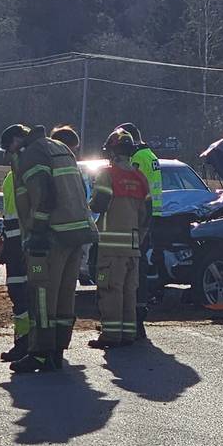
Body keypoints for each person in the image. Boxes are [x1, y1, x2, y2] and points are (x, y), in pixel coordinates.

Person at [8, 124, 98, 373]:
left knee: (42, 296)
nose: (8, 155)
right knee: (65, 296)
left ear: (17, 141)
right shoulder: (59, 147)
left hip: (52, 236)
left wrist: (37, 231)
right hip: (77, 233)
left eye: (8, 149)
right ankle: (57, 350)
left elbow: (44, 195)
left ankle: (39, 353)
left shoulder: (32, 155)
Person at [88, 129, 150, 348]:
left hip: (110, 247)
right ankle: (128, 333)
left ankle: (111, 335)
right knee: (128, 291)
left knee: (110, 291)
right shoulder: (140, 177)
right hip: (133, 246)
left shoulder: (108, 174)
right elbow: (147, 215)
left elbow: (98, 204)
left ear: (112, 152)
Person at [116, 122, 161, 339]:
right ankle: (138, 315)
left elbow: (132, 187)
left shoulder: (137, 160)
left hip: (138, 219)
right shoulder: (151, 155)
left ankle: (133, 319)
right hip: (154, 215)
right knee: (140, 268)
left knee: (134, 270)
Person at [0, 124, 30, 363]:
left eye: (8, 149)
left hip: (21, 247)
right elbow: (9, 217)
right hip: (17, 245)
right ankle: (28, 342)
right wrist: (3, 243)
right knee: (23, 295)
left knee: (21, 295)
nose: (7, 155)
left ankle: (25, 343)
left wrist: (6, 244)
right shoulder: (13, 177)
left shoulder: (20, 175)